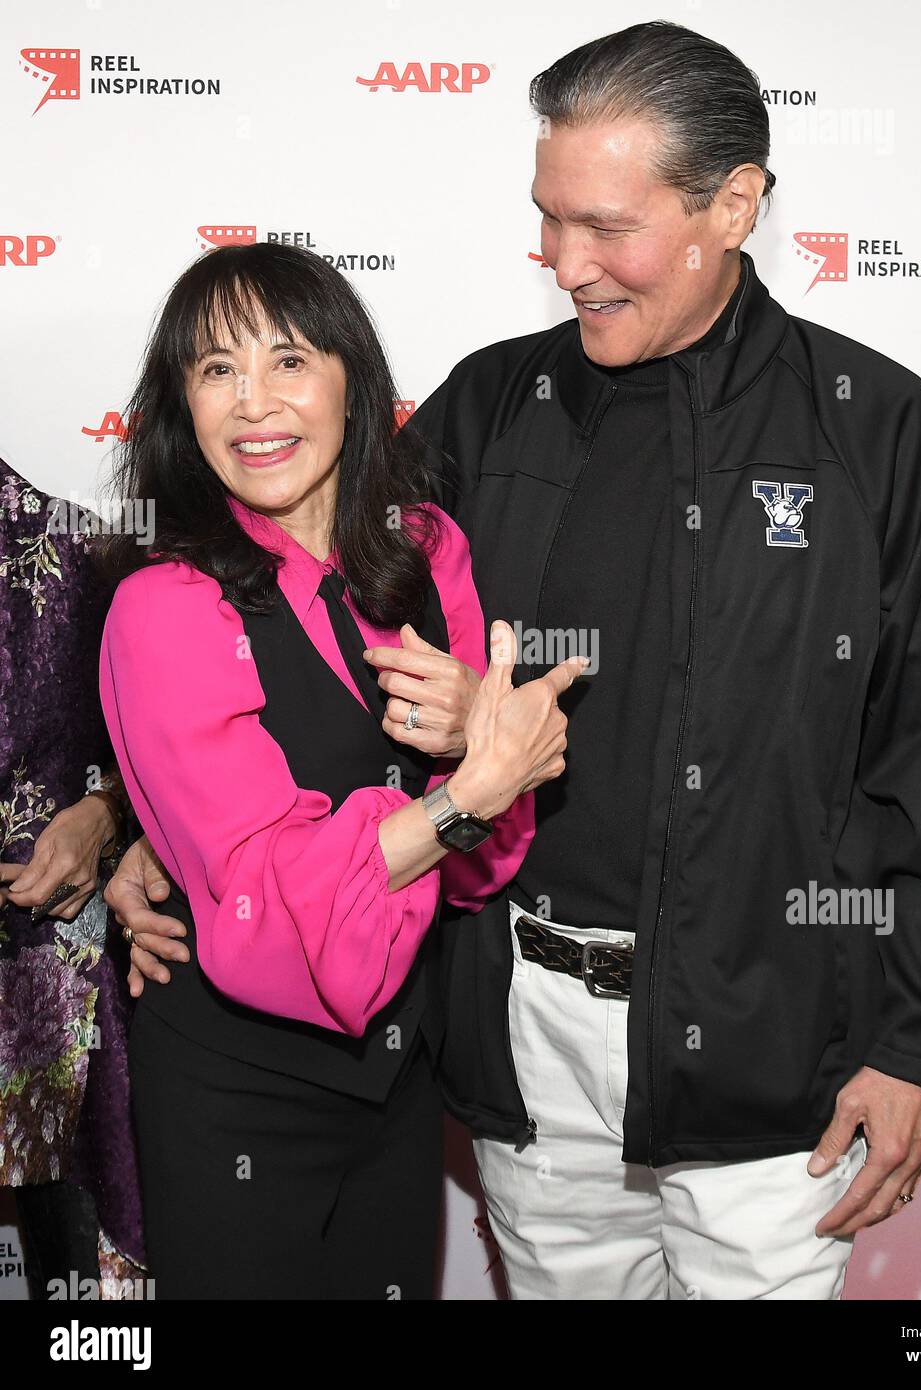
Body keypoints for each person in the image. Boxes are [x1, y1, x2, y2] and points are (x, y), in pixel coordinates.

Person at [117, 21, 921, 1301]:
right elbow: (294, 625)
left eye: (605, 227)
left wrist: (920, 1047)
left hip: (773, 1060)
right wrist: (137, 813)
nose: (564, 263)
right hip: (526, 1049)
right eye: (547, 221)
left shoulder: (872, 429)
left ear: (735, 204)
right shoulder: (485, 408)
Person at [93, 241, 579, 1299]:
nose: (253, 402)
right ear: (182, 405)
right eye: (216, 369)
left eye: (288, 360)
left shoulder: (424, 549)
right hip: (238, 1090)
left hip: (399, 1079)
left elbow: (478, 870)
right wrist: (470, 791)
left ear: (354, 385)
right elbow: (267, 899)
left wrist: (475, 760)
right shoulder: (167, 605)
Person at [0, 459, 146, 1297]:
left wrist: (105, 812)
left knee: (91, 1323)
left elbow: (168, 752)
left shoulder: (79, 551)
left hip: (60, 1003)